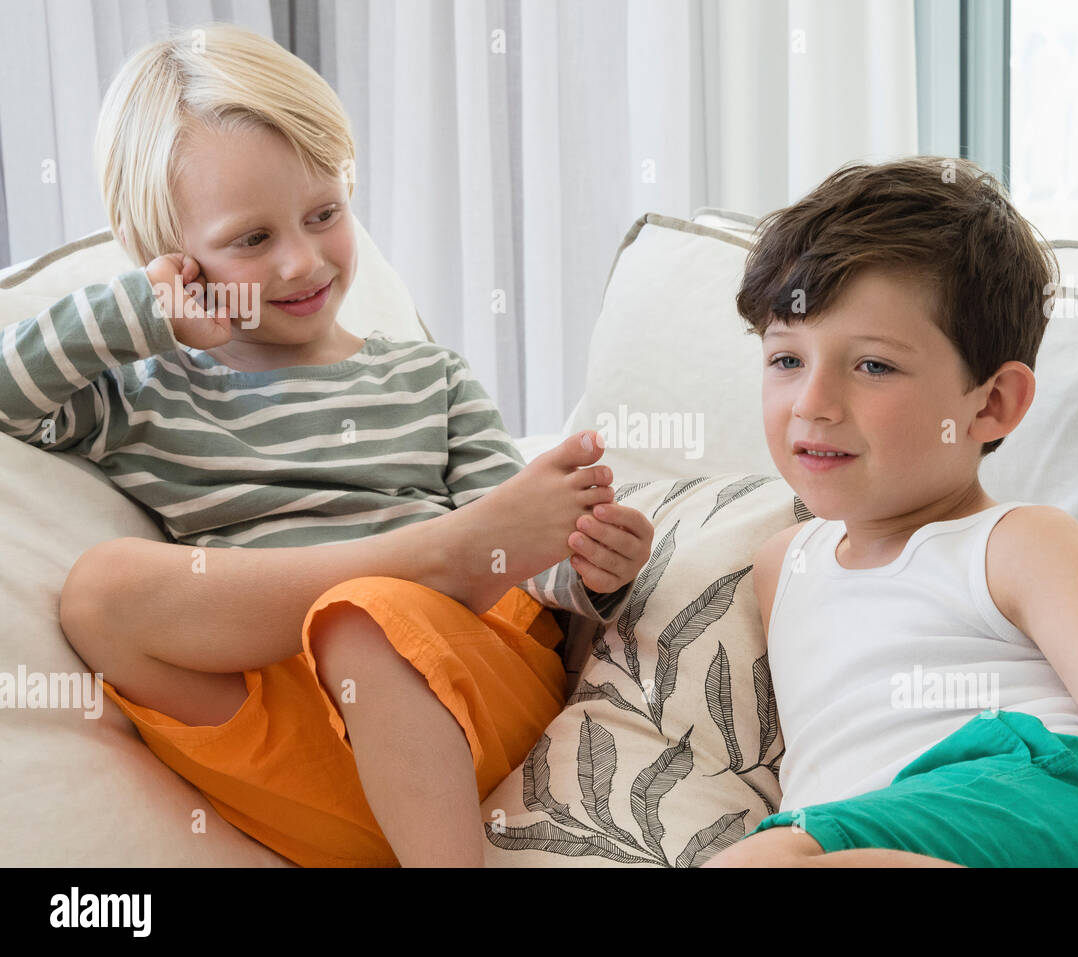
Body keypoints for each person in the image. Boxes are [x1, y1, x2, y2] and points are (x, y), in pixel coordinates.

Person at [1, 22, 653, 868]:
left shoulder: (428, 379)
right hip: (305, 759)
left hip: (463, 703)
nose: (303, 262)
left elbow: (525, 555)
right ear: (171, 258)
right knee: (99, 591)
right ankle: (432, 555)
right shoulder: (146, 394)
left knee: (361, 621)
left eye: (324, 214)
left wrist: (592, 565)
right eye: (253, 239)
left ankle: (428, 571)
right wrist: (141, 311)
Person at [703, 156, 1078, 868]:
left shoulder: (1020, 543)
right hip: (868, 832)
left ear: (993, 403)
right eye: (786, 360)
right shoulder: (779, 563)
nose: (812, 403)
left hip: (1040, 802)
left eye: (873, 365)